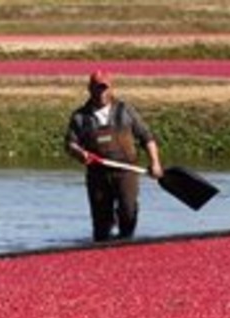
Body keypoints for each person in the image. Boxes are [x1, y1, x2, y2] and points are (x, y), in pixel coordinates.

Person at [65, 70, 163, 242]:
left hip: (126, 172)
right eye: (97, 88)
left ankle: (125, 242)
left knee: (128, 211)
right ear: (90, 89)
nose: (101, 92)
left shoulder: (126, 111)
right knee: (101, 227)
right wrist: (79, 153)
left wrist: (155, 163)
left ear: (111, 89)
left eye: (104, 88)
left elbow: (147, 138)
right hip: (97, 175)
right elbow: (70, 144)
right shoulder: (80, 117)